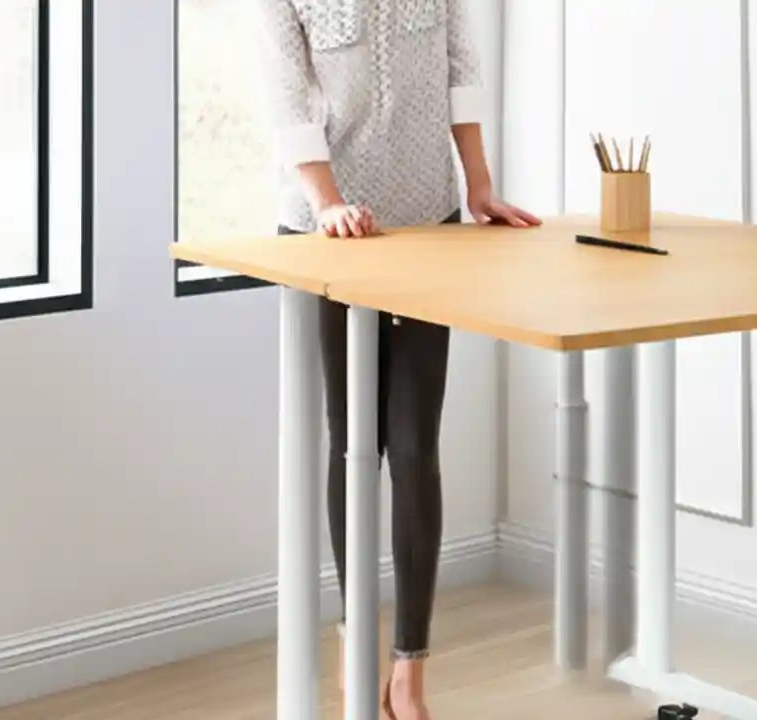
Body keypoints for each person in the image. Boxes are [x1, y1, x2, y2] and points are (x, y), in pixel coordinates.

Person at [254, 1, 540, 718]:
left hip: (428, 217)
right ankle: (357, 644)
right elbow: (288, 100)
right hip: (328, 231)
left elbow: (461, 72)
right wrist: (327, 203)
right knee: (355, 443)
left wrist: (479, 186)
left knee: (414, 447)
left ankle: (410, 670)